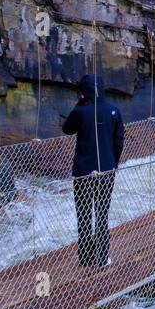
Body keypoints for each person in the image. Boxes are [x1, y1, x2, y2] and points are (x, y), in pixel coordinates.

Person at [62, 73, 125, 268]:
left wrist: (80, 104)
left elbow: (67, 129)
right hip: (106, 171)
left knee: (83, 215)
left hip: (82, 172)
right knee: (102, 214)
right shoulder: (114, 110)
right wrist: (113, 164)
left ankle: (85, 258)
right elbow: (119, 141)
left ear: (84, 91)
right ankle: (101, 258)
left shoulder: (81, 112)